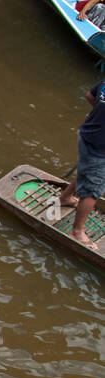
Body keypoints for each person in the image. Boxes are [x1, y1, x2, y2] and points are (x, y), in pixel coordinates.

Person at [58, 80, 105, 251]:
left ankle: (64, 198)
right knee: (93, 191)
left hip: (87, 135)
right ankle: (77, 231)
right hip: (100, 150)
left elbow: (90, 95)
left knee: (86, 171)